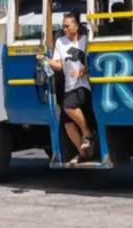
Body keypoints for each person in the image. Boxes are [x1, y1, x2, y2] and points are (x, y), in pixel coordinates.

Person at [38, 12, 94, 164]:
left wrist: (82, 72)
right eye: (63, 26)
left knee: (69, 107)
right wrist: (46, 60)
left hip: (84, 85)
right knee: (67, 123)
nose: (64, 29)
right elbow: (59, 65)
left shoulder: (86, 41)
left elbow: (95, 64)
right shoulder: (60, 42)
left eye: (67, 26)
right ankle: (82, 153)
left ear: (76, 26)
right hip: (69, 86)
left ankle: (87, 133)